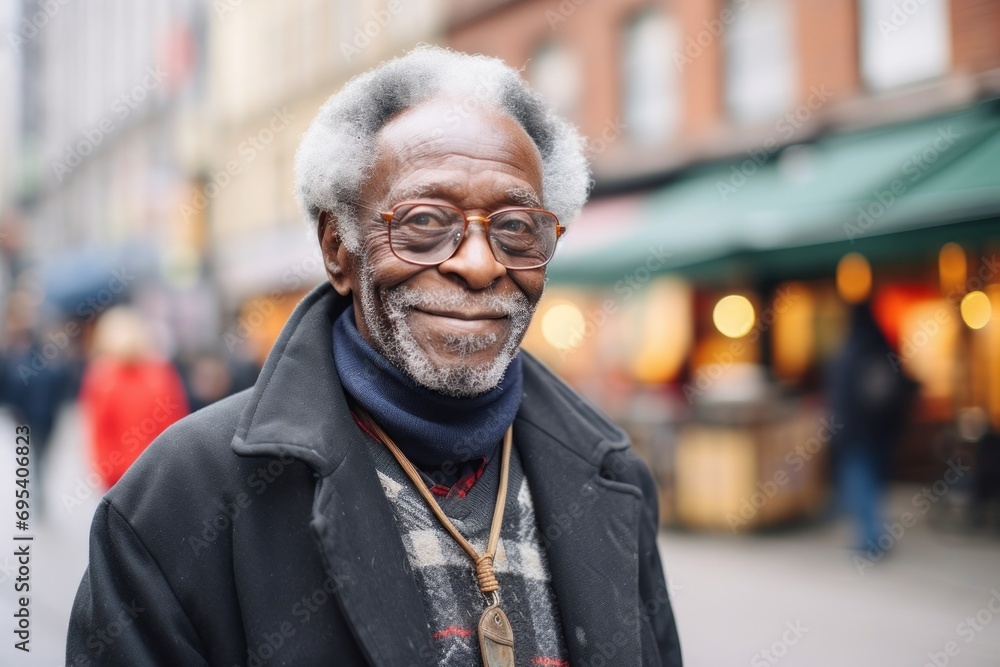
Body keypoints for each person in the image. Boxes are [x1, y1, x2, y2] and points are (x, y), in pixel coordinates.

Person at [67, 46, 682, 667]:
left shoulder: (613, 476)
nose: (478, 263)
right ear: (339, 250)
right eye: (423, 221)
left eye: (517, 227)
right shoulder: (181, 500)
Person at [827, 301, 918, 556]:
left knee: (859, 484)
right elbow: (904, 387)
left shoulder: (851, 352)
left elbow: (841, 399)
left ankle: (871, 539)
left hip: (855, 434)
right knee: (873, 485)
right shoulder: (882, 348)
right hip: (882, 432)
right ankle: (874, 536)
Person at [78, 307, 189, 489]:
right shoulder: (104, 376)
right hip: (138, 470)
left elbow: (174, 418)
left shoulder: (155, 372)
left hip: (145, 469)